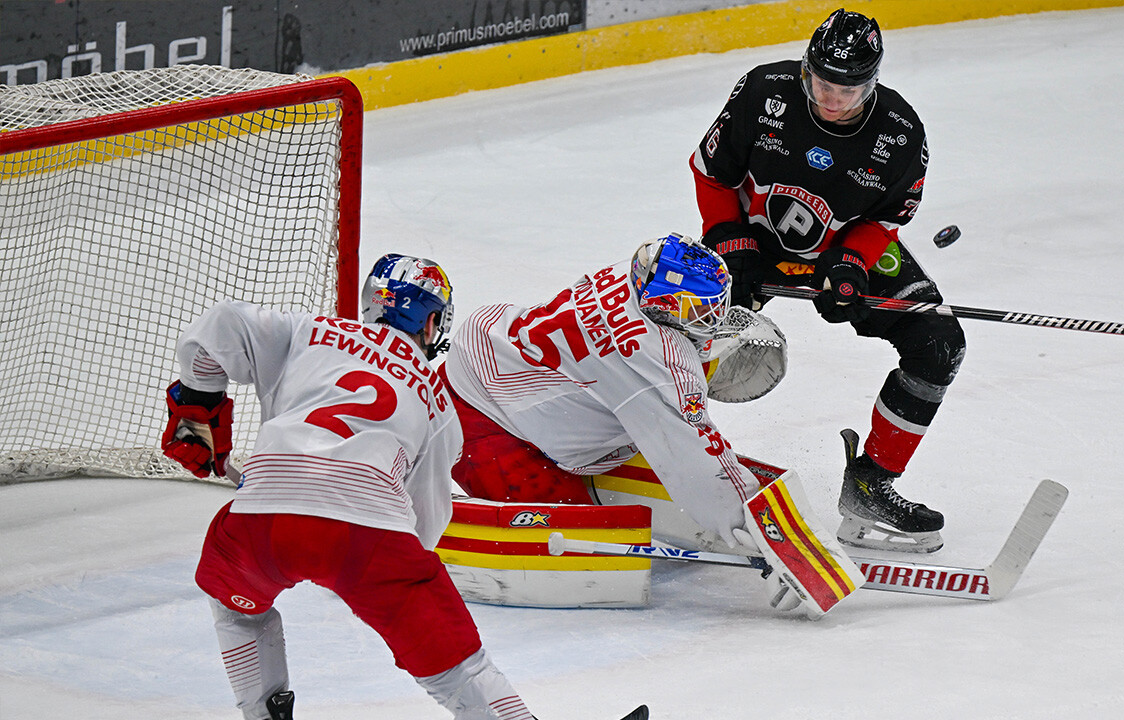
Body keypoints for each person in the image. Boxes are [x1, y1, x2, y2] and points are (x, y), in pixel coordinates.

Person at [162, 255, 550, 720]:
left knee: (237, 609)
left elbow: (218, 327)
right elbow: (426, 524)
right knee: (460, 668)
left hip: (261, 520)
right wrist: (380, 586)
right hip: (369, 540)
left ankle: (262, 715)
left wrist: (196, 409)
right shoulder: (438, 404)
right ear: (431, 323)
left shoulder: (307, 331)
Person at [441, 233, 859, 617]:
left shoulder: (634, 275)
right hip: (482, 423)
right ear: (665, 304)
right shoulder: (654, 361)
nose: (712, 320)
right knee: (589, 552)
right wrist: (766, 541)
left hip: (493, 349)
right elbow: (697, 460)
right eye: (701, 311)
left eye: (717, 306)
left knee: (645, 425)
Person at [690, 8, 963, 553]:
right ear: (806, 69)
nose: (833, 99)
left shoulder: (901, 133)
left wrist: (853, 262)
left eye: (849, 89)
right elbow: (711, 173)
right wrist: (728, 239)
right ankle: (633, 450)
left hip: (840, 251)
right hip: (748, 240)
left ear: (873, 82)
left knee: (938, 344)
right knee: (669, 332)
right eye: (822, 83)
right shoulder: (763, 91)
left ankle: (870, 485)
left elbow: (885, 220)